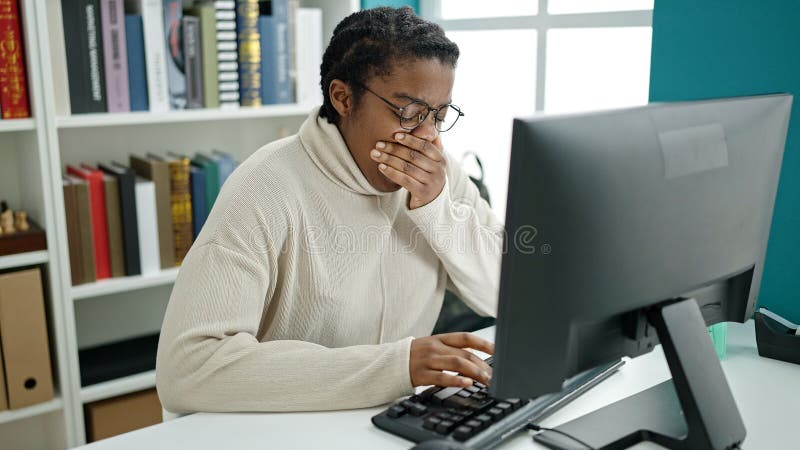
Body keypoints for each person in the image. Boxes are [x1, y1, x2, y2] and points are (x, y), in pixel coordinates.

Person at [156, 6, 503, 413]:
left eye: (439, 116)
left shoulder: (441, 178)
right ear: (343, 98)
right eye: (409, 114)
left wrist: (435, 210)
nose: (428, 137)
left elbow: (505, 296)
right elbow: (187, 370)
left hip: (385, 420)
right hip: (278, 427)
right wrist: (396, 366)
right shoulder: (264, 187)